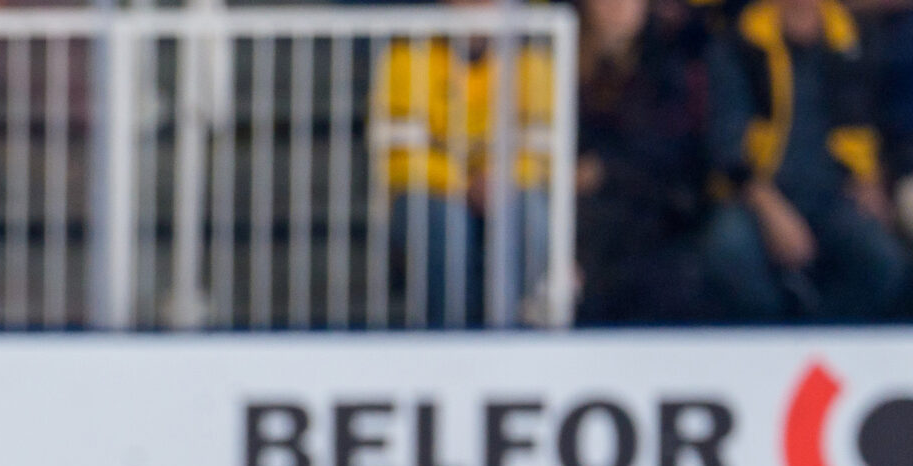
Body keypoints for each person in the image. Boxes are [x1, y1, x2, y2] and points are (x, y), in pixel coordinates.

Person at [699, 0, 906, 319]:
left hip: (833, 196)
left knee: (883, 260)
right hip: (759, 195)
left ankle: (828, 338)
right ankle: (773, 340)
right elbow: (726, 143)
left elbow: (874, 120)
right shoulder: (741, 42)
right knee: (729, 247)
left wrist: (872, 179)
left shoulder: (851, 38)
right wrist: (769, 207)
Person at [371, 0, 559, 325]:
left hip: (508, 187)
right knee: (445, 223)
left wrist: (502, 176)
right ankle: (451, 340)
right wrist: (461, 182)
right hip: (430, 192)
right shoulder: (408, 56)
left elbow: (543, 149)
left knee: (531, 218)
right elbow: (397, 153)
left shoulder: (532, 60)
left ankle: (508, 334)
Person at [576, 0, 719, 322]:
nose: (617, 7)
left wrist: (606, 171)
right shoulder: (558, 61)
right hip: (577, 218)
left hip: (649, 218)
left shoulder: (667, 66)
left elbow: (672, 157)